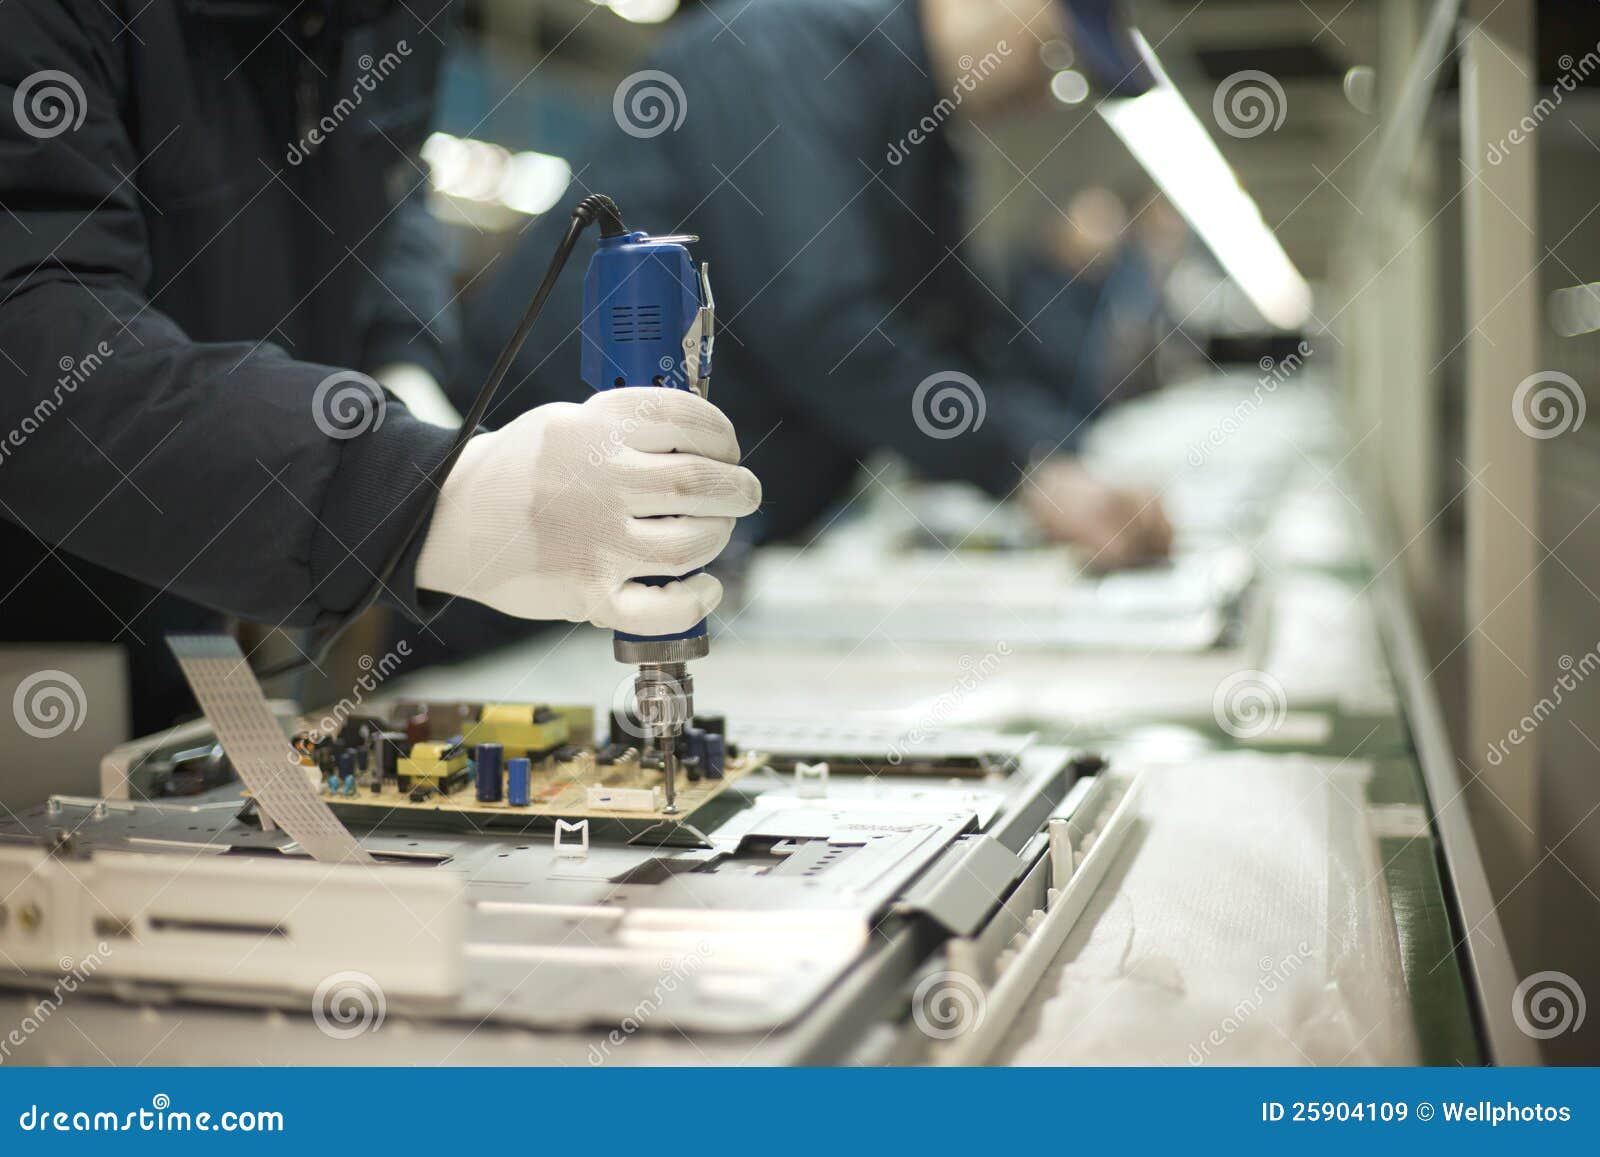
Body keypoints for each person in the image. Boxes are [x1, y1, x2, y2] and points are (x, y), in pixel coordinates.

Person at [0, 0, 758, 733]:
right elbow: (27, 336)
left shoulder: (390, 16)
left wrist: (402, 358)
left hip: (215, 569)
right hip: (41, 614)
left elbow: (391, 192)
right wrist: (413, 493)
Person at [466, 0, 1171, 566]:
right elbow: (821, 320)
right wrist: (1026, 470)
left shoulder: (916, 128)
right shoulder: (786, 54)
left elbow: (960, 336)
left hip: (682, 523)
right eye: (1053, 59)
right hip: (543, 504)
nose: (1042, 98)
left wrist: (1053, 455)